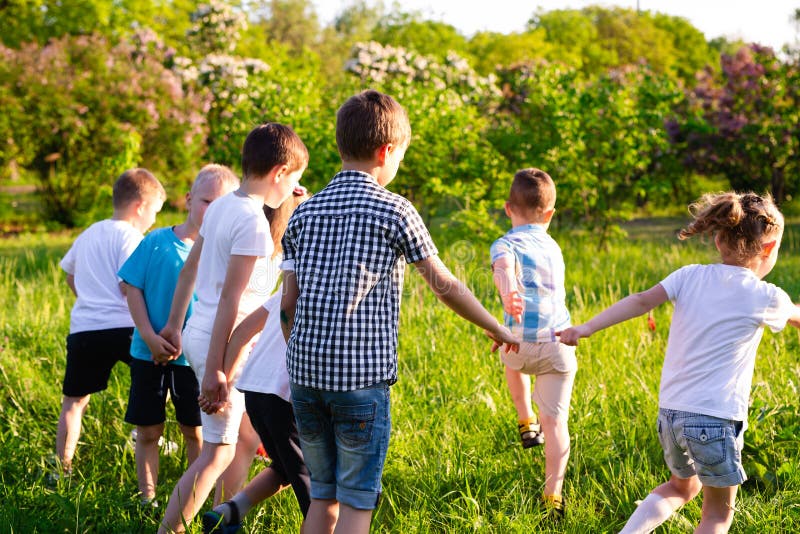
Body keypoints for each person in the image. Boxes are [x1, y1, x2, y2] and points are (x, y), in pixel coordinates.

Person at [279, 89, 520, 533]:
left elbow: (288, 304)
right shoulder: (394, 210)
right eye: (400, 156)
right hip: (358, 381)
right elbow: (444, 284)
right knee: (355, 501)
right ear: (386, 151)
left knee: (323, 494)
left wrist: (302, 358)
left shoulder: (302, 212)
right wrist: (497, 328)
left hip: (304, 376)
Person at [557, 192, 800, 533]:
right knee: (716, 515)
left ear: (717, 237)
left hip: (671, 415)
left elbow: (641, 301)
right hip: (715, 420)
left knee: (680, 487)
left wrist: (586, 327)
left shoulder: (688, 276)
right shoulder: (765, 296)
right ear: (770, 248)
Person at [157, 123, 308, 534]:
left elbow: (192, 268)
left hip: (201, 328)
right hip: (222, 343)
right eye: (294, 178)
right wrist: (215, 370)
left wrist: (175, 324)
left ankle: (227, 516)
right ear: (279, 173)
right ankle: (171, 529)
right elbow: (231, 298)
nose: (295, 187)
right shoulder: (254, 226)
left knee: (241, 439)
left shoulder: (223, 205)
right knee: (216, 452)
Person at [118, 164, 239, 508]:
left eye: (221, 205)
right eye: (205, 201)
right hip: (148, 352)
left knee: (194, 430)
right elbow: (133, 288)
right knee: (148, 430)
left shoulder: (225, 254)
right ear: (188, 200)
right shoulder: (157, 241)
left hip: (195, 360)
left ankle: (192, 498)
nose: (211, 211)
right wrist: (149, 336)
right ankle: (148, 498)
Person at [201, 184, 313, 534]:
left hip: (255, 392)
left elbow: (242, 331)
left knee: (282, 466)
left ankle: (229, 512)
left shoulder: (288, 284)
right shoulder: (316, 286)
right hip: (284, 395)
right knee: (314, 484)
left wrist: (225, 379)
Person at [55, 168, 166, 476]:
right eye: (154, 212)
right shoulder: (132, 237)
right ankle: (146, 433)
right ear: (141, 206)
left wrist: (90, 298)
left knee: (74, 402)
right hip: (125, 327)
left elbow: (70, 274)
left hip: (85, 329)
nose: (154, 220)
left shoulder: (89, 232)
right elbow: (129, 285)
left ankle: (62, 467)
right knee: (158, 379)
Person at [490, 168, 576, 517]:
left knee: (513, 367)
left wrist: (508, 293)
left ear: (508, 208)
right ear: (550, 215)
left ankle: (525, 419)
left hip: (519, 344)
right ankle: (552, 495)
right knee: (556, 422)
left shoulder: (505, 242)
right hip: (558, 344)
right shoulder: (554, 247)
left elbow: (504, 267)